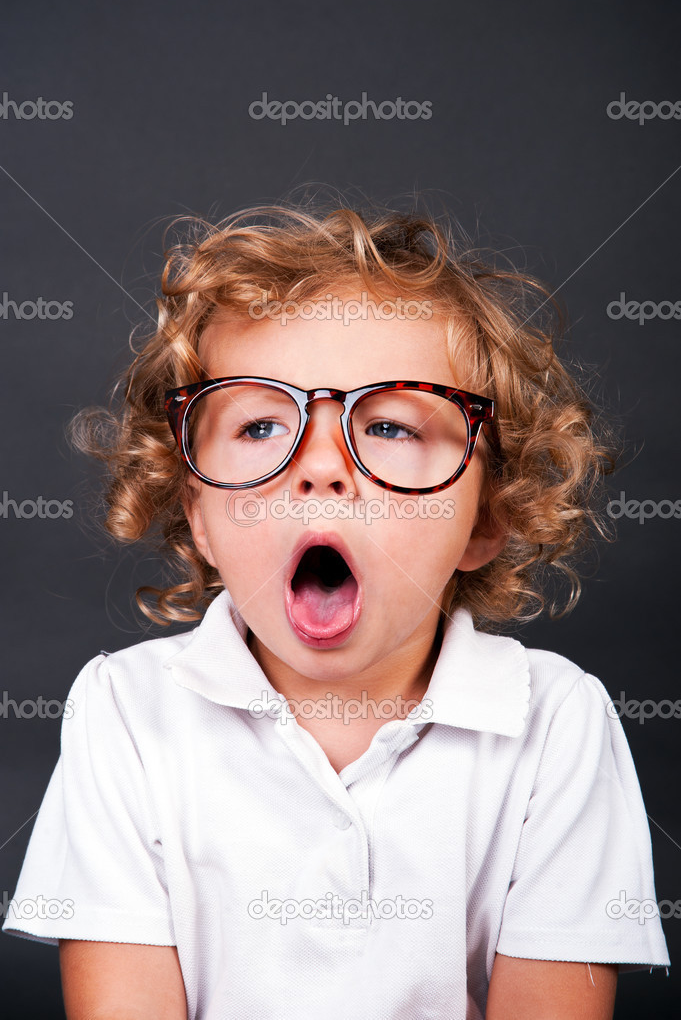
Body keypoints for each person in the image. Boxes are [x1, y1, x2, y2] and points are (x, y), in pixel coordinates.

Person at [2, 200, 670, 1019]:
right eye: (258, 425)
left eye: (388, 423)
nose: (319, 466)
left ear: (489, 515)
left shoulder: (555, 721)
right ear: (200, 515)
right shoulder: (126, 712)